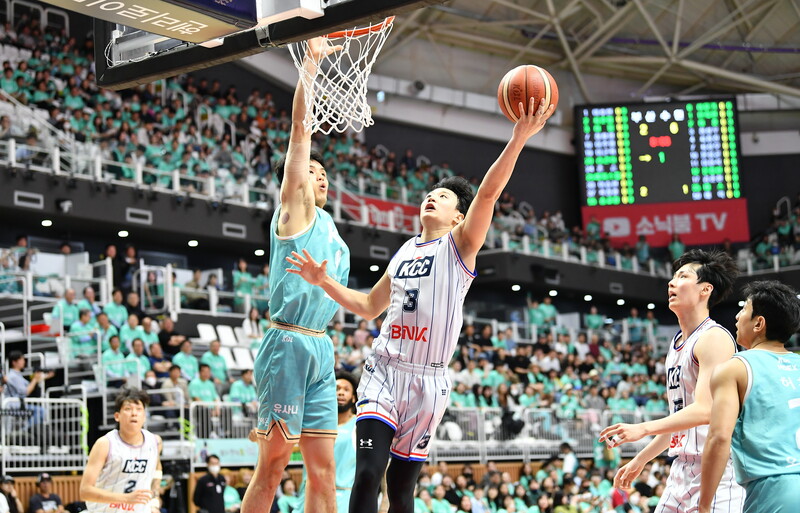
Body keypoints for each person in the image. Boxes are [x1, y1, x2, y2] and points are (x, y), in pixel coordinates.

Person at [288, 96, 554, 513]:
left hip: (428, 382)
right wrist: (324, 283)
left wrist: (518, 138)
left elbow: (487, 195)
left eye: (444, 197)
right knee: (366, 472)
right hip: (383, 370)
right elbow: (368, 306)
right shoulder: (404, 251)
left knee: (400, 490)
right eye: (430, 193)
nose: (432, 197)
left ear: (458, 217)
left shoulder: (461, 246)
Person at [240, 36, 351, 513]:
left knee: (323, 473)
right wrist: (310, 63)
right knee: (273, 465)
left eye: (327, 172)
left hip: (321, 345)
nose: (320, 175)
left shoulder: (334, 233)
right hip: (285, 342)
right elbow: (300, 130)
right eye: (313, 170)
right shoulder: (293, 214)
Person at [599, 250, 745, 512]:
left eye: (682, 276)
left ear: (705, 290)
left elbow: (705, 410)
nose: (671, 283)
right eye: (673, 277)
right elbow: (680, 420)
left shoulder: (714, 338)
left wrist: (643, 428)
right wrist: (640, 460)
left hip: (718, 470)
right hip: (681, 469)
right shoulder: (676, 344)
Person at [698, 281, 800, 513]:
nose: (736, 317)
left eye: (744, 309)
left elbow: (719, 438)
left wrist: (704, 505)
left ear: (759, 323)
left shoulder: (734, 368)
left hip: (775, 490)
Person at [80, 388, 162, 513]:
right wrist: (125, 499)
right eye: (128, 409)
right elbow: (85, 491)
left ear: (144, 416)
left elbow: (157, 470)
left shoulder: (155, 442)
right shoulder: (105, 444)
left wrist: (154, 502)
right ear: (117, 416)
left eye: (139, 409)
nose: (134, 413)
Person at [293, 372, 359, 513]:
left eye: (346, 389)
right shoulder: (315, 421)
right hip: (308, 494)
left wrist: (384, 502)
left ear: (353, 398)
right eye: (337, 389)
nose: (341, 393)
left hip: (342, 497)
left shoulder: (359, 425)